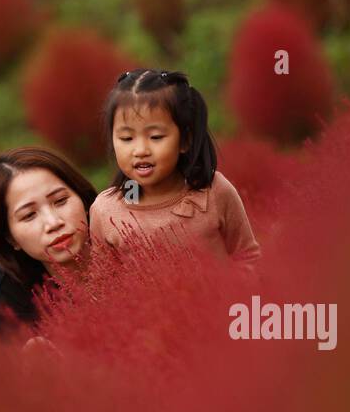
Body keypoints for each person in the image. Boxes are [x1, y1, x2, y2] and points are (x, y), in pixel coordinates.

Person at [89, 69, 261, 268]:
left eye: (156, 137)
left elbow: (248, 257)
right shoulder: (106, 212)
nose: (140, 150)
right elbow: (105, 287)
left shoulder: (214, 191)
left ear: (185, 141)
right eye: (127, 138)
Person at [0, 146, 97, 341]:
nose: (53, 223)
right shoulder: (7, 288)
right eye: (29, 215)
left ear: (83, 198)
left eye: (61, 200)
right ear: (9, 238)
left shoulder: (127, 240)